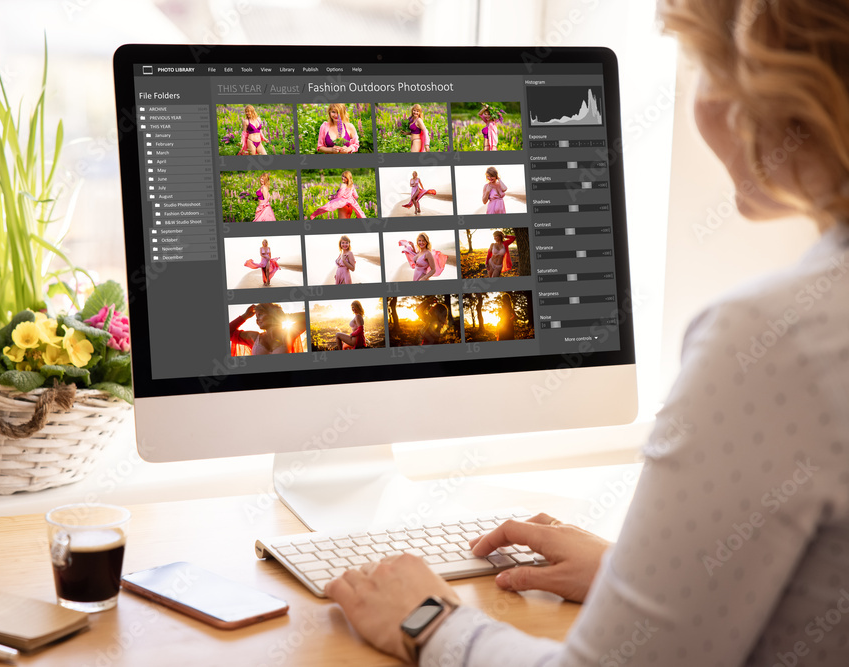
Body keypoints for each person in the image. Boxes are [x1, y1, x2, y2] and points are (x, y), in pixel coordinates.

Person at [324, 1, 849, 665]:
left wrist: (428, 620)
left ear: (769, 92)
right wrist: (635, 575)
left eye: (707, 72)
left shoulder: (776, 343)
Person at [228, 303, 305, 355]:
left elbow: (306, 317)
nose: (257, 320)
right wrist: (245, 316)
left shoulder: (289, 334)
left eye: (260, 315)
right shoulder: (254, 337)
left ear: (273, 314)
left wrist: (283, 316)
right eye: (256, 317)